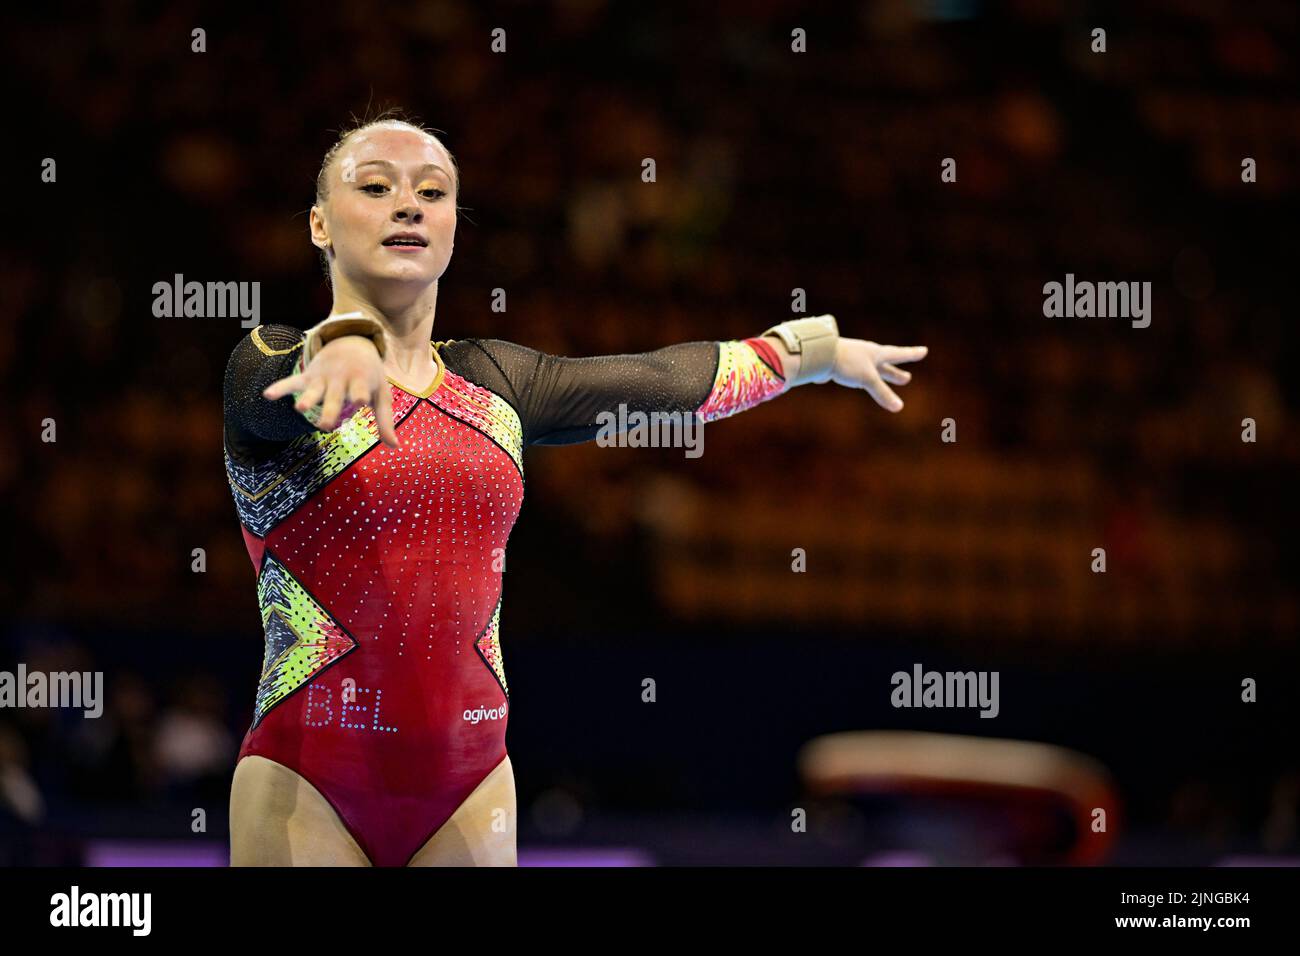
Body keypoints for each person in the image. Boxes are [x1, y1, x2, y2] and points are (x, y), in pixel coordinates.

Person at [222, 113, 927, 866]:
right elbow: (265, 382)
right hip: (307, 779)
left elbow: (660, 381)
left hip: (471, 784)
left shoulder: (499, 384)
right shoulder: (272, 364)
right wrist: (341, 343)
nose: (408, 204)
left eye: (433, 190)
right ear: (320, 225)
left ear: (455, 226)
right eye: (375, 186)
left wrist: (810, 352)